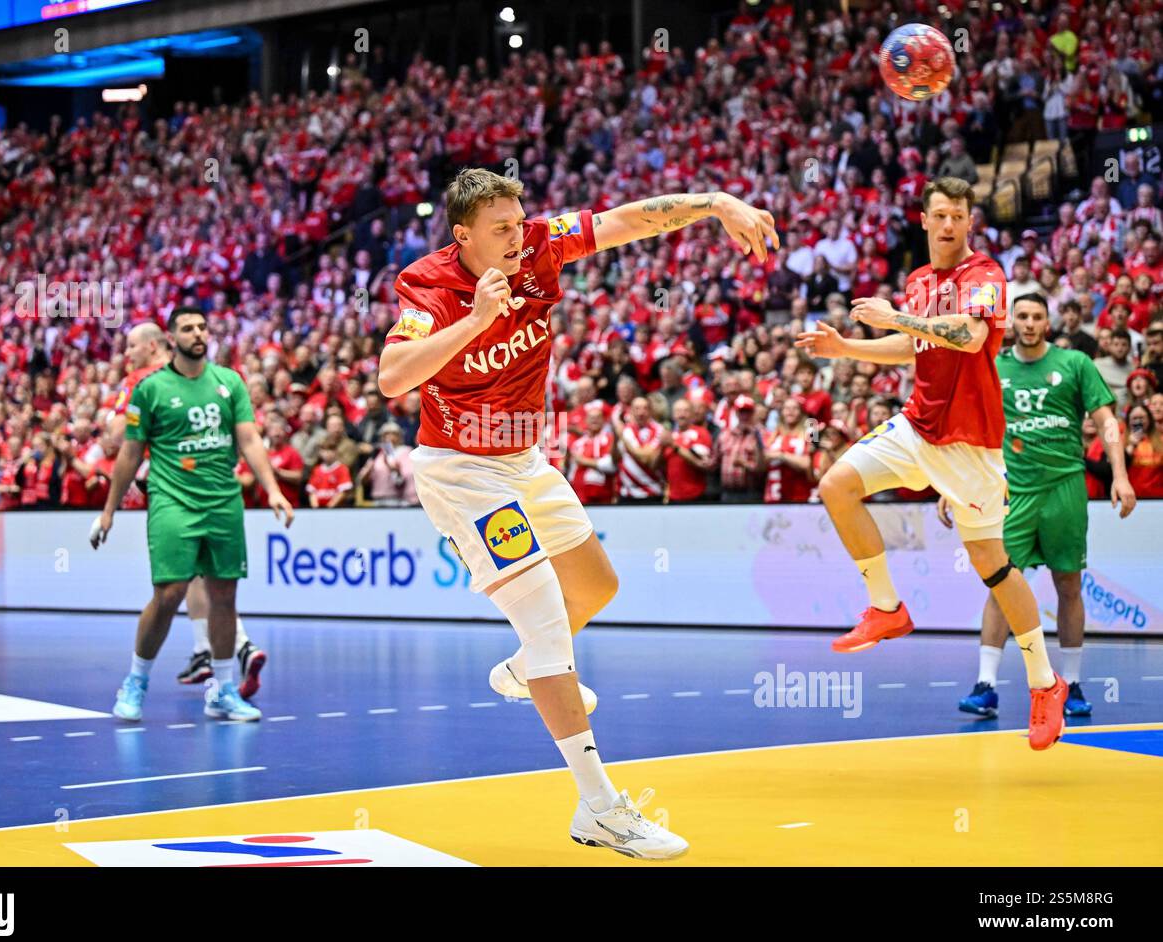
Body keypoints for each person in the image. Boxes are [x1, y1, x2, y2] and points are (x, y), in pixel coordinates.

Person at [377, 166, 776, 859]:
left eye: (518, 220)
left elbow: (627, 219)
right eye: (499, 228)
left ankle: (523, 667)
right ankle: (600, 807)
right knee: (546, 624)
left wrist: (715, 203)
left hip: (525, 458)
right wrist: (476, 320)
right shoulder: (430, 285)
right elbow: (392, 377)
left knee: (595, 587)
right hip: (463, 472)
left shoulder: (540, 245)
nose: (515, 235)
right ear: (462, 234)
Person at [797, 176, 1069, 751]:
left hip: (970, 444)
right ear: (923, 220)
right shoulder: (919, 280)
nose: (949, 225)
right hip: (917, 425)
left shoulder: (987, 276)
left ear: (970, 222)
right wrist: (848, 348)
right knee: (836, 485)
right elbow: (916, 346)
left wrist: (897, 317)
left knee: (991, 565)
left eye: (959, 216)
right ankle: (886, 606)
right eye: (940, 215)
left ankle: (1045, 684)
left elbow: (968, 338)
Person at [940, 293, 1136, 721]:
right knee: (999, 583)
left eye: (1037, 317)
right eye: (1022, 316)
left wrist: (1119, 474)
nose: (1029, 323)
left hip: (1065, 488)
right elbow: (971, 431)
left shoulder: (1075, 364)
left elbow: (1107, 422)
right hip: (1012, 494)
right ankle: (985, 686)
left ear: (1049, 323)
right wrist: (952, 484)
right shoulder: (993, 366)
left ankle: (1072, 683)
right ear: (1011, 322)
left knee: (1069, 586)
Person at [92, 307, 294, 722]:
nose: (198, 333)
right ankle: (135, 681)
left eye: (203, 326)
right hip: (172, 501)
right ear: (171, 339)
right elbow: (129, 453)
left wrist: (273, 489)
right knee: (169, 594)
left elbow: (250, 440)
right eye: (188, 328)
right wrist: (109, 511)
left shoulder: (229, 381)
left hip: (222, 500)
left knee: (224, 595)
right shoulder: (149, 388)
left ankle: (221, 691)